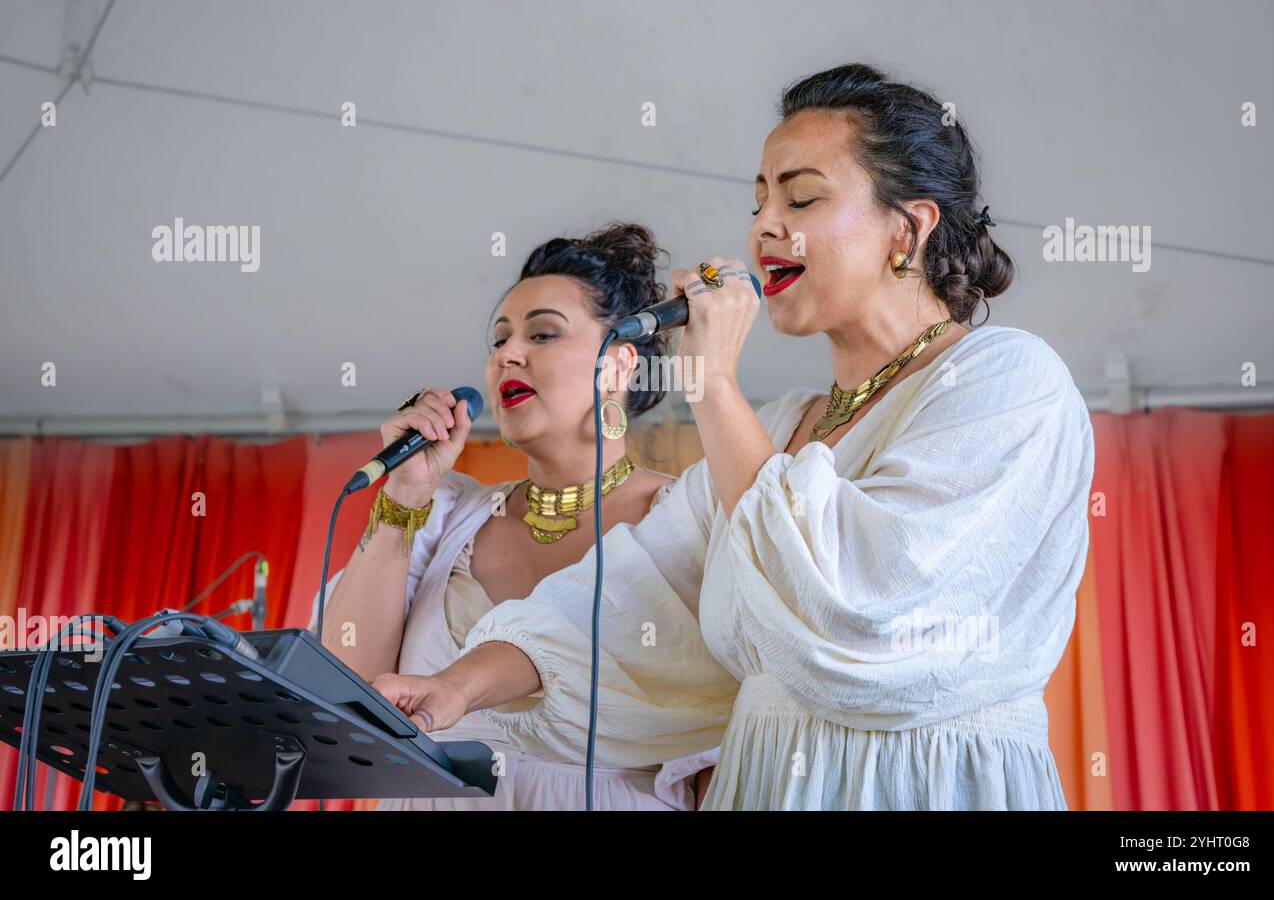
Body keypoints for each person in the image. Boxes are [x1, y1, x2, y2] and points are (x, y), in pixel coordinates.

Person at [392, 63, 1096, 810]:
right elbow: (621, 604)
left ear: (909, 227)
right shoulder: (785, 424)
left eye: (801, 197)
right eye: (759, 200)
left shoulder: (1008, 381)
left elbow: (861, 614)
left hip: (922, 786)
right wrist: (451, 687)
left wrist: (714, 385)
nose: (764, 227)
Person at [314, 222, 729, 810]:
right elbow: (348, 693)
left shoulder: (690, 517)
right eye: (500, 339)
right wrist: (403, 497)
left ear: (617, 367)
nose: (508, 353)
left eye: (543, 335)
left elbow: (724, 738)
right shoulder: (445, 515)